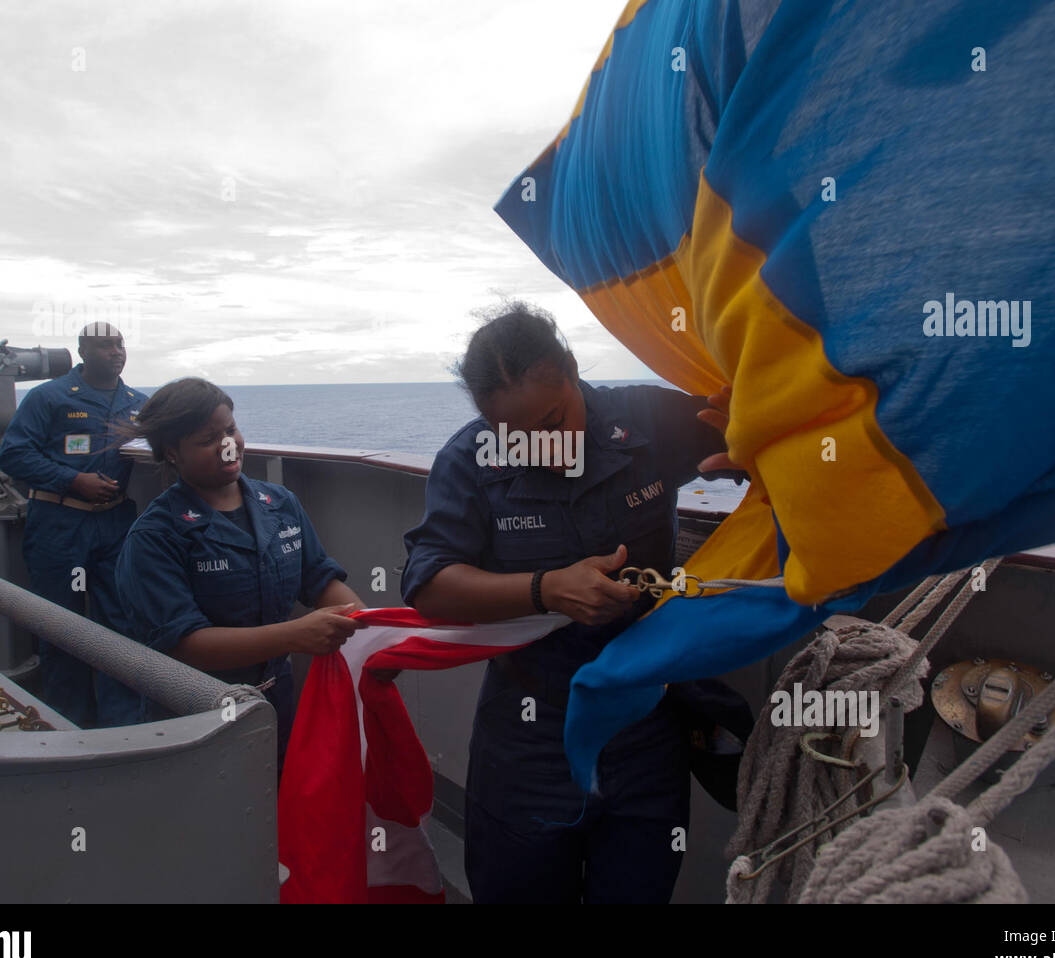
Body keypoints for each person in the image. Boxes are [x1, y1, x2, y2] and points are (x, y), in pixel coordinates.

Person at [401, 301, 733, 903]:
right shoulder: (467, 462)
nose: (544, 446)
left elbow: (748, 428)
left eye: (555, 420)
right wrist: (545, 589)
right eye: (518, 438)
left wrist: (761, 435)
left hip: (645, 726)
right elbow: (428, 586)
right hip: (530, 733)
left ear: (574, 370)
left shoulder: (649, 417)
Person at [113, 377, 367, 773]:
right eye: (207, 439)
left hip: (274, 703)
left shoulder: (280, 504)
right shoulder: (156, 536)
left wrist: (369, 629)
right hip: (196, 713)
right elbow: (184, 645)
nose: (228, 444)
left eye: (230, 429)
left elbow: (317, 579)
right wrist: (294, 636)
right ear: (172, 453)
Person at [0, 322, 147, 727]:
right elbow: (13, 455)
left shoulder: (137, 403)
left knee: (122, 624)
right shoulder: (49, 397)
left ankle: (122, 726)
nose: (116, 351)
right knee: (60, 625)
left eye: (120, 344)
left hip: (115, 526)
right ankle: (68, 723)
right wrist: (73, 480)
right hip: (59, 525)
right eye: (104, 345)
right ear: (82, 351)